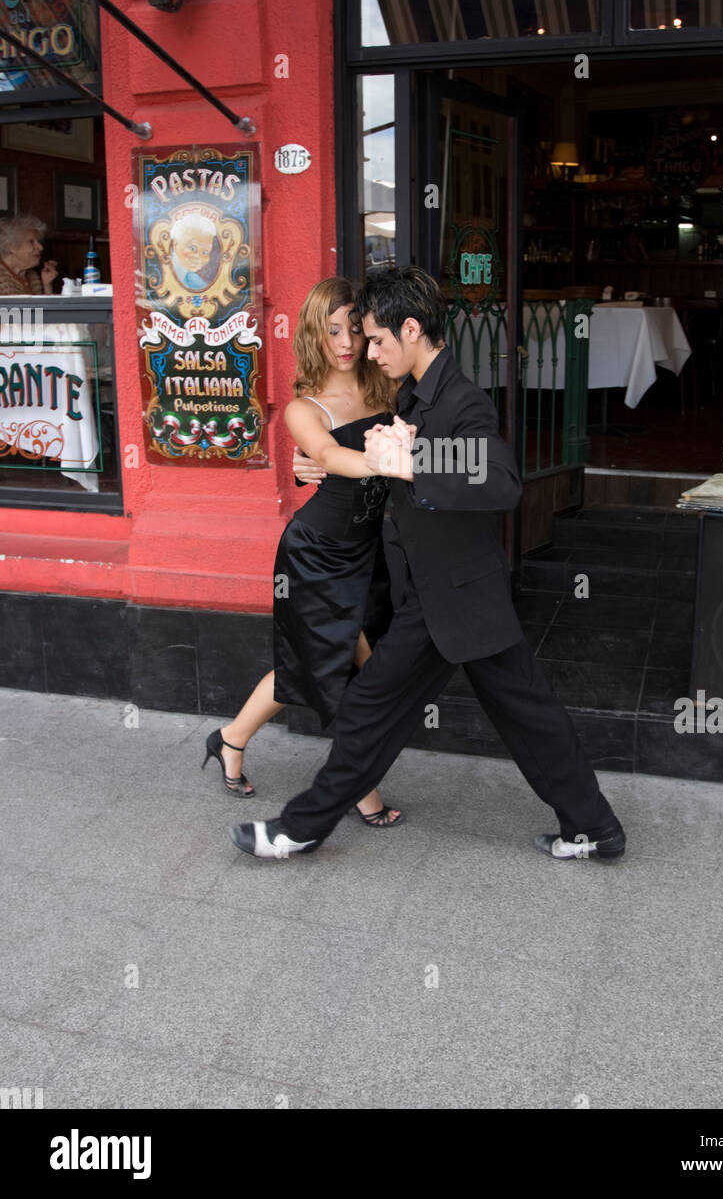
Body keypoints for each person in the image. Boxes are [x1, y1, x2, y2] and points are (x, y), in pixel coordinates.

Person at [230, 265, 625, 863]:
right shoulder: (413, 393)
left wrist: (412, 464)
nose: (369, 350)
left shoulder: (460, 398)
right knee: (470, 713)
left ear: (410, 329)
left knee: (519, 717)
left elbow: (500, 479)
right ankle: (595, 829)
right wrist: (313, 467)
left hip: (462, 596)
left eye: (379, 339)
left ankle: (296, 829)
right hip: (436, 598)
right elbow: (361, 455)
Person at [202, 276, 402, 827]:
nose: (345, 342)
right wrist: (380, 463)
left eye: (355, 330)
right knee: (347, 668)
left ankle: (229, 739)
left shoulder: (385, 385)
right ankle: (361, 789)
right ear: (313, 335)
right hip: (316, 555)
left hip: (369, 552)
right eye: (331, 330)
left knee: (306, 665)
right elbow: (327, 453)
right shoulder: (301, 407)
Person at [0, 215, 59, 295]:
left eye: (38, 242)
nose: (40, 247)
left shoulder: (33, 277)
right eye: (31, 242)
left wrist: (47, 285)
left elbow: (41, 307)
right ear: (11, 246)